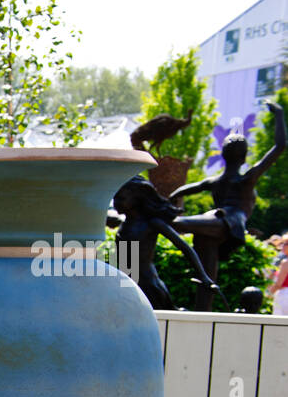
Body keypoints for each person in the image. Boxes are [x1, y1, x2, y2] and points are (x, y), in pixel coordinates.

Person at [170, 101, 286, 299]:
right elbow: (280, 146)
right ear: (244, 157)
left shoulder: (219, 181)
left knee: (169, 223)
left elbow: (178, 192)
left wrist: (172, 207)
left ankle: (132, 270)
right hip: (223, 224)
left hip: (224, 223)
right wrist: (279, 114)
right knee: (206, 276)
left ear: (223, 155)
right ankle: (203, 308)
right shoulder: (246, 179)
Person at [110, 176, 213, 310]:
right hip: (126, 285)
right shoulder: (123, 225)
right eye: (114, 198)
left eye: (121, 198)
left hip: (147, 285)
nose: (116, 203)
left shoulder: (152, 224)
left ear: (136, 199)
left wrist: (203, 276)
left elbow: (185, 248)